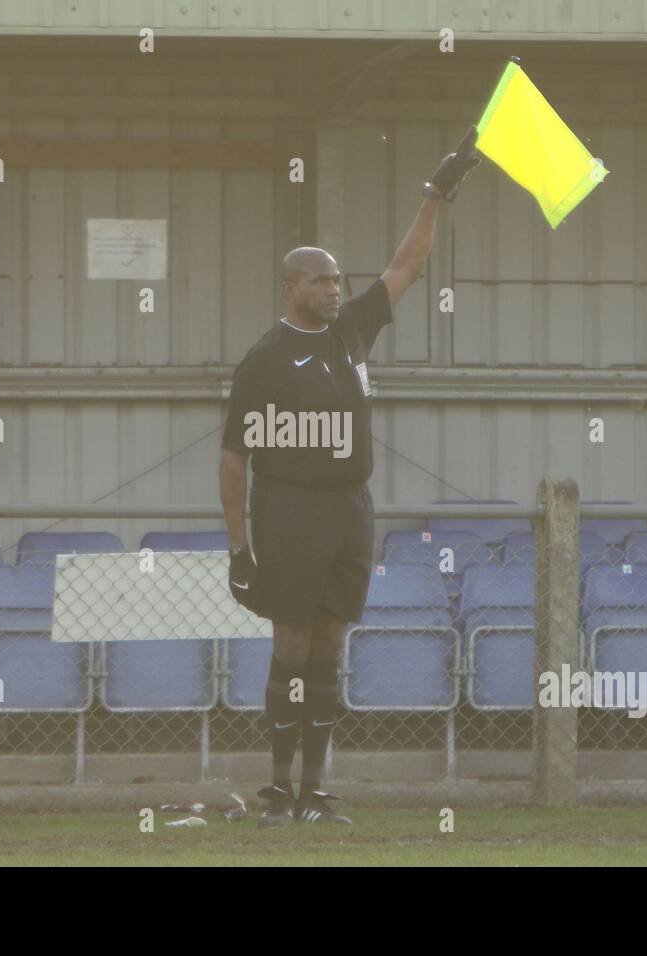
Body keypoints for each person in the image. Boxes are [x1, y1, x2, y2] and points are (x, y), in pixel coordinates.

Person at [220, 130, 481, 826]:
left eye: (338, 279)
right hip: (288, 513)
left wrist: (436, 192)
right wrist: (239, 547)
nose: (335, 289)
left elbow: (408, 264)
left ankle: (316, 790)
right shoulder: (265, 360)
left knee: (332, 643)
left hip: (349, 510)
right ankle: (278, 790)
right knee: (292, 646)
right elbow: (233, 458)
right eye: (320, 280)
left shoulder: (352, 332)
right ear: (291, 287)